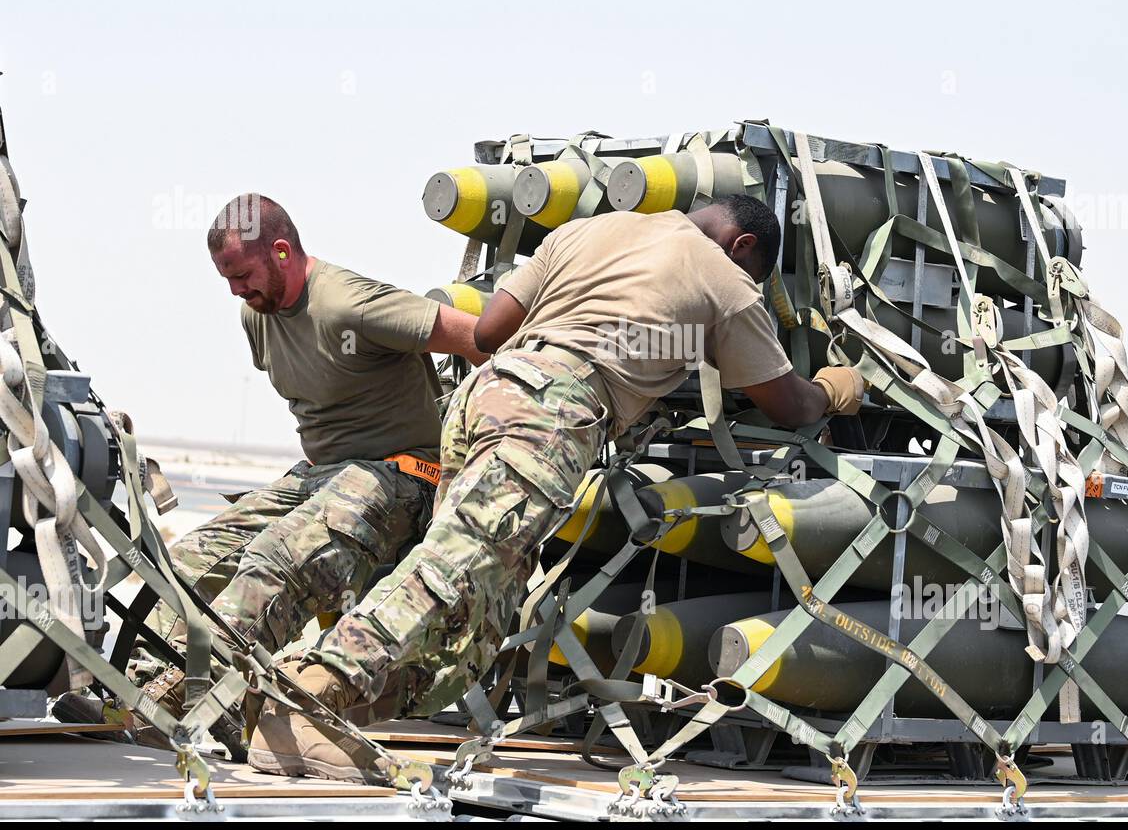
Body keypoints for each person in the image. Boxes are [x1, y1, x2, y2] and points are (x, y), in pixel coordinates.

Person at [247, 194, 865, 782]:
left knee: (479, 608)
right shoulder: (724, 278)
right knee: (451, 576)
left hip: (479, 400)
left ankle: (338, 711)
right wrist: (839, 387)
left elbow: (487, 333)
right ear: (742, 245)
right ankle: (312, 691)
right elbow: (789, 406)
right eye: (753, 271)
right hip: (550, 419)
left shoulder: (590, 229)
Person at [102, 193, 482, 745]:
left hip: (403, 478)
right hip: (322, 475)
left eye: (243, 275)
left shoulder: (348, 304)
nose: (236, 290)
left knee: (275, 557)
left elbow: (480, 340)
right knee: (187, 558)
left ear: (282, 252)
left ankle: (200, 694)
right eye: (226, 279)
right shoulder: (254, 315)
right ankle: (136, 684)